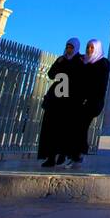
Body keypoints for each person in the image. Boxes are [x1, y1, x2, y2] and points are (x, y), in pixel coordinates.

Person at [64, 38, 110, 169]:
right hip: (80, 101)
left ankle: (77, 154)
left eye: (92, 48)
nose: (89, 50)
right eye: (88, 47)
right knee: (76, 126)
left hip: (92, 102)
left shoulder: (102, 63)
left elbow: (101, 85)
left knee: (80, 126)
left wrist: (90, 98)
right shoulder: (84, 62)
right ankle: (75, 154)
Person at [38, 38, 82, 168]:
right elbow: (51, 74)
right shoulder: (60, 60)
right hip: (56, 99)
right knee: (51, 129)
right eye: (67, 47)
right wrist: (58, 63)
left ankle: (63, 154)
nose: (69, 50)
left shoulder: (79, 61)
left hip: (70, 100)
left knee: (65, 129)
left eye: (71, 48)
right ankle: (50, 157)